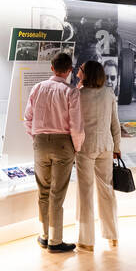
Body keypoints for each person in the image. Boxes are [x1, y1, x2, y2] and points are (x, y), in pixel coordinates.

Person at [24, 51, 84, 253]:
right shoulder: (71, 92)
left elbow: (28, 118)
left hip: (40, 142)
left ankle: (44, 236)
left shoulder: (37, 88)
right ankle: (55, 241)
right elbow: (76, 125)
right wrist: (76, 147)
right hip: (63, 144)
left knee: (43, 191)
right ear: (69, 71)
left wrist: (37, 138)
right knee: (57, 195)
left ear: (52, 68)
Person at [74, 60, 121, 251]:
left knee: (85, 192)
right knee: (107, 191)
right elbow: (115, 124)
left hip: (85, 147)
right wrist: (117, 146)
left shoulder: (78, 95)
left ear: (86, 74)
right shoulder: (108, 93)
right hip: (106, 146)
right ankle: (112, 236)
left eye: (81, 70)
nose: (78, 71)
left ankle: (86, 241)